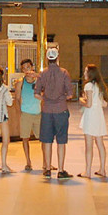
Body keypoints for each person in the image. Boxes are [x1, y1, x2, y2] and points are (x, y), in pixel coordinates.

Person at [35, 45, 74, 179]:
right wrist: (61, 97)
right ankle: (61, 170)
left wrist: (45, 98)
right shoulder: (64, 73)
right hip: (61, 110)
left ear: (47, 58)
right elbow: (70, 95)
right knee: (61, 141)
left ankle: (47, 168)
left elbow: (36, 93)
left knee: (47, 140)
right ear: (57, 58)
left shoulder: (42, 73)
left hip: (46, 111)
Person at [78, 64, 108, 179]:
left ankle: (88, 171)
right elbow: (104, 104)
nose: (84, 73)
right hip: (99, 115)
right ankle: (102, 169)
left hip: (90, 116)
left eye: (86, 71)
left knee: (89, 145)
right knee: (100, 143)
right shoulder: (100, 86)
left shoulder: (88, 86)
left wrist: (82, 100)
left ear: (91, 73)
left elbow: (89, 104)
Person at [14, 58, 41, 171]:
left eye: (28, 67)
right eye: (24, 68)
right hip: (26, 114)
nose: (26, 70)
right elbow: (17, 98)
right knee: (25, 138)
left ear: (32, 67)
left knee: (43, 139)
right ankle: (28, 161)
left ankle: (46, 162)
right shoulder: (20, 82)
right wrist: (20, 112)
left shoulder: (39, 80)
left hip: (38, 113)